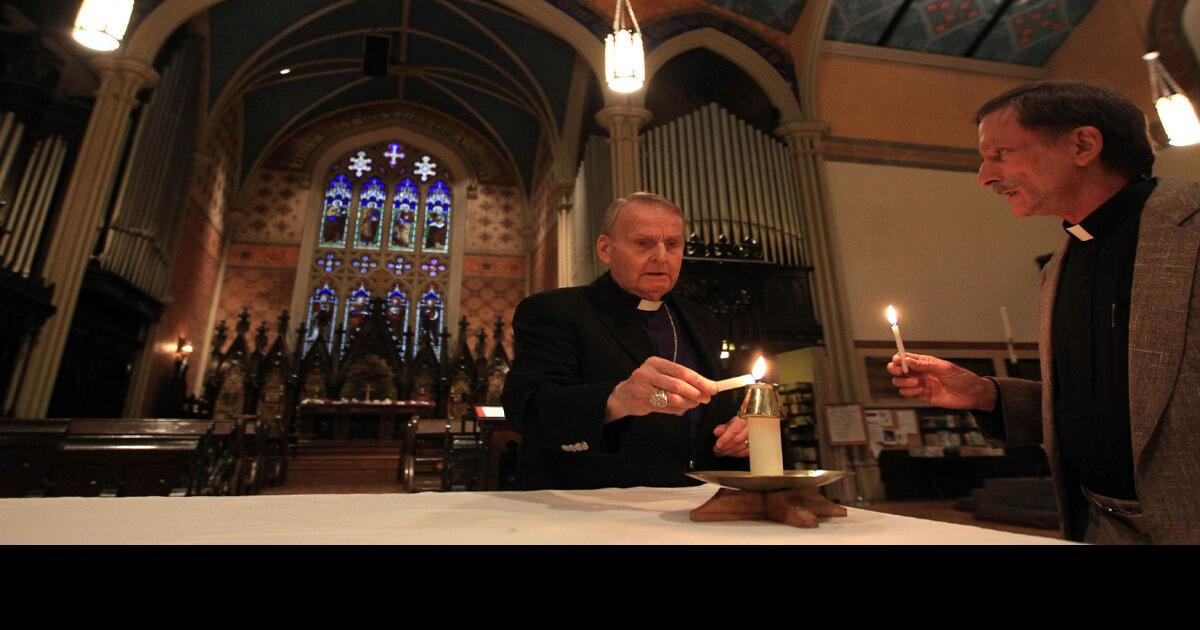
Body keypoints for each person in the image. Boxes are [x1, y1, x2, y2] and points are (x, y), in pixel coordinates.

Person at [888, 81, 1200, 544]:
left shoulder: (1191, 230)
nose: (984, 177)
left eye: (1001, 153)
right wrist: (986, 395)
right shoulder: (1061, 264)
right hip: (1096, 521)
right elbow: (1111, 405)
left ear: (1083, 145)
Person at [501, 193, 751, 489]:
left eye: (673, 244)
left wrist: (741, 431)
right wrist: (617, 400)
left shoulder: (702, 320)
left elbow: (716, 409)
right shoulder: (556, 311)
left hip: (695, 498)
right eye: (643, 243)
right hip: (594, 502)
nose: (661, 256)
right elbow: (527, 408)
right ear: (605, 249)